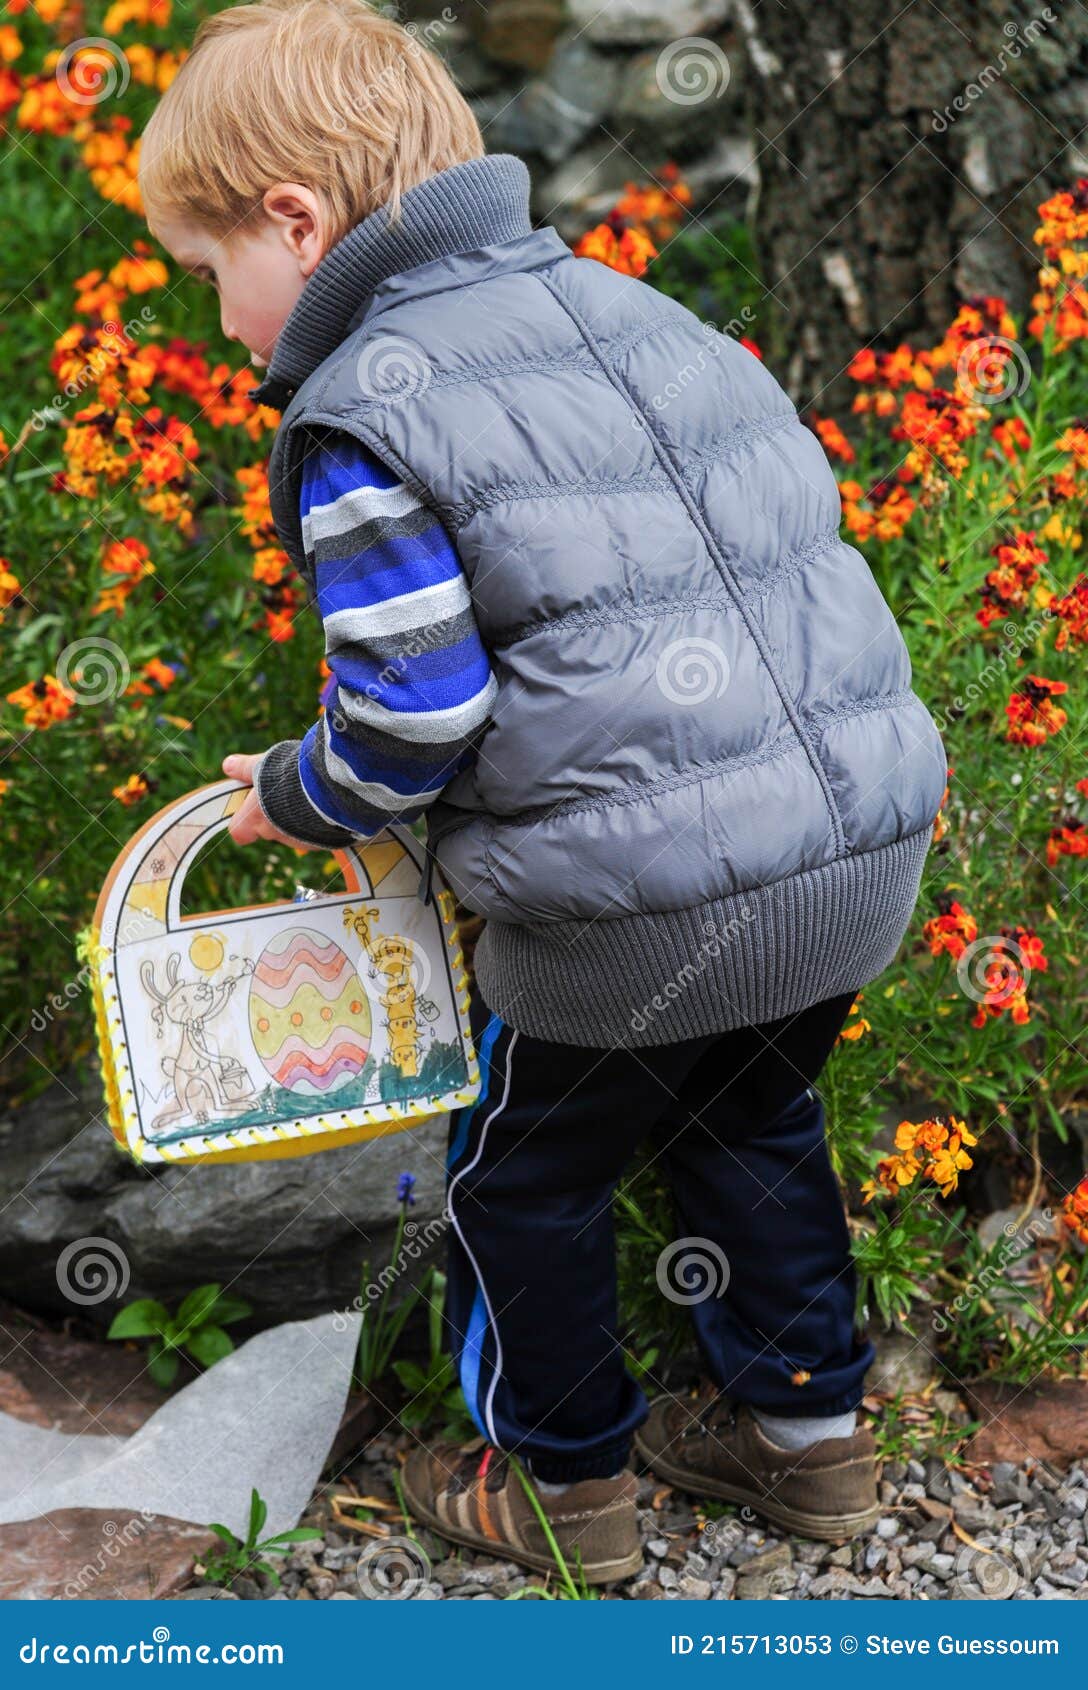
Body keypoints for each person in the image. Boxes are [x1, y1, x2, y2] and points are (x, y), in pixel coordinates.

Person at [138, 0, 948, 1584]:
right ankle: (811, 1448)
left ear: (294, 223)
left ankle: (563, 1480)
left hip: (632, 907)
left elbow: (416, 714)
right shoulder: (631, 307)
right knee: (754, 1116)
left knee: (528, 1175)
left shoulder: (366, 404)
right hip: (852, 843)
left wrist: (296, 798)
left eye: (208, 269)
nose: (220, 318)